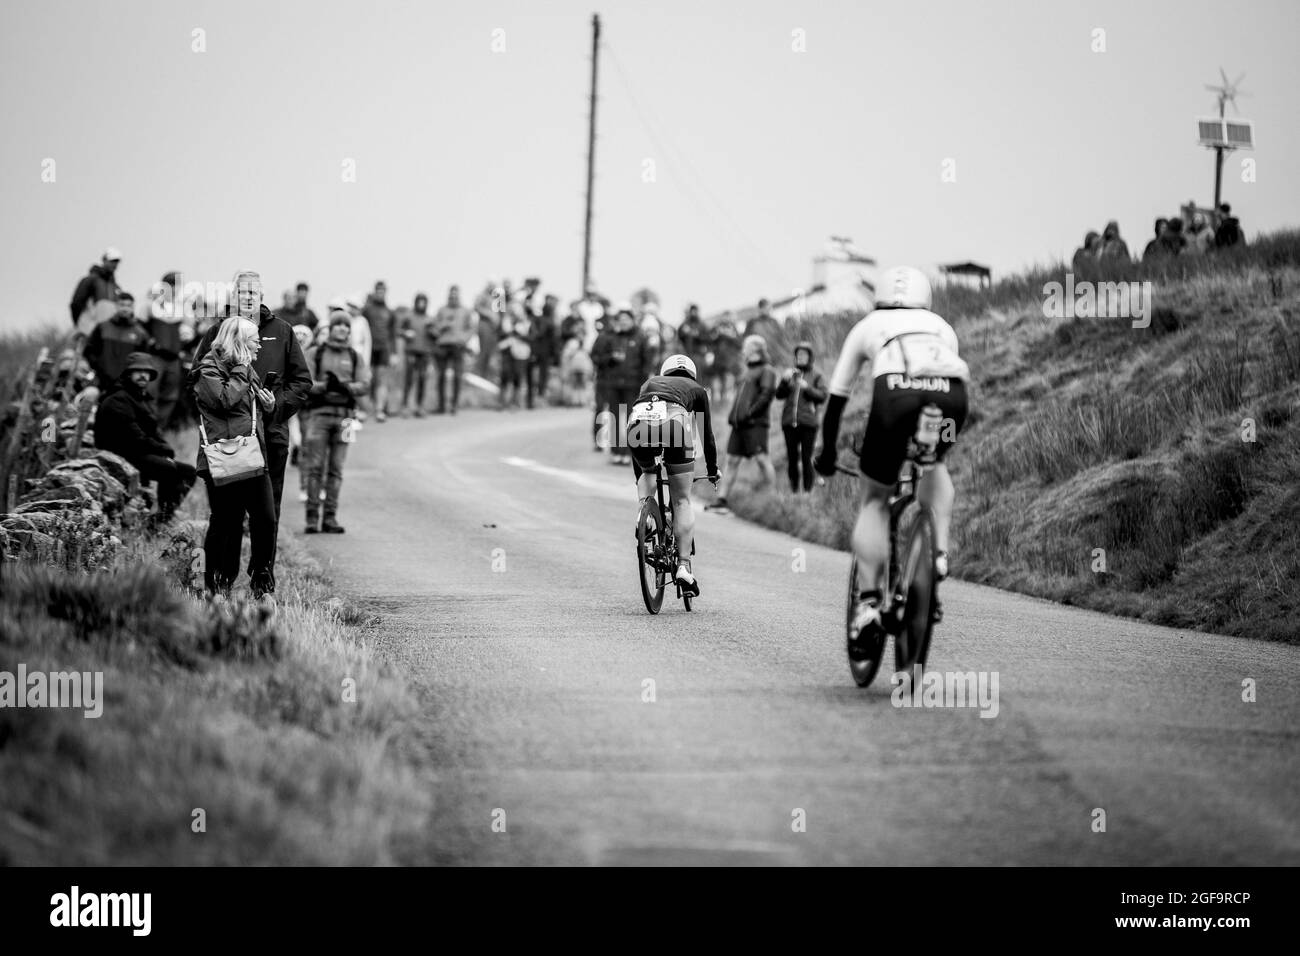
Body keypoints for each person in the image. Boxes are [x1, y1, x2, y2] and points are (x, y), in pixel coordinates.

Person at [812, 266, 970, 654]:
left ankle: (867, 605)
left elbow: (836, 400)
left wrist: (828, 454)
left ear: (879, 295)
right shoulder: (941, 326)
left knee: (874, 499)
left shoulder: (868, 325)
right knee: (933, 464)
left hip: (895, 398)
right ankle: (939, 555)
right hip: (951, 398)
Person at [190, 270, 312, 530]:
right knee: (227, 516)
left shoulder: (282, 331)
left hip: (271, 434)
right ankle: (225, 571)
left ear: (262, 297)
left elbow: (302, 382)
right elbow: (196, 381)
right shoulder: (217, 331)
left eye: (253, 292)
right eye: (242, 292)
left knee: (268, 516)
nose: (247, 297)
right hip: (228, 440)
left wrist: (276, 406)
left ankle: (263, 570)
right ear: (233, 296)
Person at [192, 316, 278, 598]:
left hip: (252, 456)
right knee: (224, 524)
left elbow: (247, 411)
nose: (259, 347)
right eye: (254, 341)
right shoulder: (208, 370)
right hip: (222, 459)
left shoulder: (247, 369)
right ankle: (213, 584)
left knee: (266, 519)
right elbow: (225, 401)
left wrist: (268, 406)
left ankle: (262, 582)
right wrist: (242, 369)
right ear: (239, 342)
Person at [626, 354, 720, 596]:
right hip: (675, 424)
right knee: (681, 500)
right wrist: (712, 470)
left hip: (636, 424)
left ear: (664, 372)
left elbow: (638, 414)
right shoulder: (697, 389)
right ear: (692, 374)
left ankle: (644, 515)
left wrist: (642, 473)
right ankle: (683, 567)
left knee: (648, 471)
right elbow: (706, 435)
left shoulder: (649, 382)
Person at [94, 352, 196, 525]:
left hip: (137, 453)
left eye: (146, 371)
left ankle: (162, 517)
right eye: (137, 371)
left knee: (186, 471)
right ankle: (159, 521)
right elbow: (134, 437)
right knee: (176, 472)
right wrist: (163, 450)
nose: (143, 375)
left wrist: (164, 448)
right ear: (128, 374)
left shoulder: (140, 398)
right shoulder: (119, 399)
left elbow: (153, 431)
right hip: (122, 455)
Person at [303, 312, 370, 534]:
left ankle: (330, 517)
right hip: (318, 415)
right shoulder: (316, 353)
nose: (342, 329)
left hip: (345, 417)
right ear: (330, 328)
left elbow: (365, 383)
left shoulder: (354, 356)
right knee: (314, 468)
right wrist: (324, 386)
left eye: (346, 325)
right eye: (338, 325)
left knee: (336, 469)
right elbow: (305, 383)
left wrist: (345, 387)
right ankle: (312, 518)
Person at [707, 334, 777, 512]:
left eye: (747, 347)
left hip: (756, 424)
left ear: (755, 349)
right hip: (739, 425)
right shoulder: (746, 371)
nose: (743, 350)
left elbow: (766, 395)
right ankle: (721, 499)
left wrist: (750, 413)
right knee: (731, 460)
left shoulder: (767, 370)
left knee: (762, 459)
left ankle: (773, 499)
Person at [592, 302, 652, 464]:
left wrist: (645, 384)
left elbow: (647, 362)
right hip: (612, 383)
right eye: (621, 320)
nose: (624, 322)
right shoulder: (610, 337)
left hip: (633, 385)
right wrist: (610, 358)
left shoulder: (640, 337)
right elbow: (598, 358)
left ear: (632, 321)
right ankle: (616, 451)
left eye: (627, 319)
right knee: (613, 417)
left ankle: (629, 453)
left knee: (631, 419)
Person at [775, 341, 828, 493]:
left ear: (810, 357)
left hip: (808, 423)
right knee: (791, 458)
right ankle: (793, 490)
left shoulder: (817, 375)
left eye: (804, 354)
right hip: (789, 422)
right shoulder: (790, 374)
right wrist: (784, 381)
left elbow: (823, 396)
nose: (800, 357)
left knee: (806, 458)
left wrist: (807, 388)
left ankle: (807, 491)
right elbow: (779, 395)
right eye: (798, 354)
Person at [141, 271, 188, 430]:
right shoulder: (150, 304)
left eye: (177, 285)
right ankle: (148, 428)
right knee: (150, 392)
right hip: (155, 357)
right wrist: (151, 342)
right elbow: (140, 327)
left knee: (170, 396)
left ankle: (159, 429)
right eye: (172, 285)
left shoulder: (181, 307)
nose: (175, 289)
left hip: (174, 358)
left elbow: (187, 330)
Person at [84, 291, 153, 394]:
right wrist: (99, 370)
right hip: (101, 382)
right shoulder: (102, 327)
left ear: (133, 308)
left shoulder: (141, 333)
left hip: (127, 386)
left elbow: (143, 362)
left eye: (128, 305)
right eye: (122, 305)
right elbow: (89, 351)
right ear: (116, 306)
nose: (125, 309)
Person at [432, 285, 476, 414]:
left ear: (459, 296)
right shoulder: (442, 310)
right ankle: (441, 405)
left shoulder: (465, 311)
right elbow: (434, 327)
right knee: (441, 376)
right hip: (443, 345)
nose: (453, 298)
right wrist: (442, 326)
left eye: (456, 295)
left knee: (457, 376)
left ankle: (454, 405)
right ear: (448, 296)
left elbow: (472, 328)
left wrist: (464, 338)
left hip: (458, 346)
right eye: (451, 296)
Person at [364, 281, 398, 421]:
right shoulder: (367, 310)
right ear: (375, 292)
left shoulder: (390, 312)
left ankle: (379, 410)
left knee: (381, 380)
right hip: (368, 349)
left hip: (383, 349)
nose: (380, 293)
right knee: (367, 380)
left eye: (383, 291)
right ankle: (365, 409)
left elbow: (393, 334)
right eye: (378, 291)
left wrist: (394, 353)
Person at [288, 324, 315, 502]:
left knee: (307, 443)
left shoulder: (314, 355)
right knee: (297, 437)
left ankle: (310, 486)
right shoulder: (286, 353)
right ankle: (305, 485)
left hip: (308, 405)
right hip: (291, 402)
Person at [69, 247, 124, 335]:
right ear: (104, 260)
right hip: (88, 332)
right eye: (112, 261)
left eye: (117, 262)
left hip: (107, 334)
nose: (114, 264)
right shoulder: (90, 280)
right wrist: (79, 325)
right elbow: (76, 303)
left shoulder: (116, 288)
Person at [497, 291, 532, 410]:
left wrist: (519, 334)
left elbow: (531, 337)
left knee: (518, 375)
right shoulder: (504, 320)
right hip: (506, 349)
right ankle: (502, 402)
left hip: (520, 352)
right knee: (505, 374)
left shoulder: (526, 322)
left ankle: (515, 402)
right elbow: (499, 334)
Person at [400, 293, 433, 416]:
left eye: (423, 302)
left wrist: (432, 331)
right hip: (411, 351)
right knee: (409, 379)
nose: (421, 304)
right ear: (416, 303)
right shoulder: (409, 317)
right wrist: (405, 333)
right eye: (419, 302)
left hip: (424, 352)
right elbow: (400, 331)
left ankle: (419, 406)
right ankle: (405, 406)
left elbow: (435, 335)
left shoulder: (429, 319)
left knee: (422, 379)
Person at [530, 294, 561, 407]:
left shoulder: (537, 320)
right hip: (545, 352)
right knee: (543, 375)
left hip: (536, 350)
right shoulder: (551, 323)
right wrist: (556, 355)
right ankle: (540, 396)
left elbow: (534, 335)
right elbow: (554, 341)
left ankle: (534, 396)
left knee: (535, 374)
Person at [473, 281, 500, 379]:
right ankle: (479, 373)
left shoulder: (497, 298)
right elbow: (476, 307)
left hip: (494, 329)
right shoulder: (482, 295)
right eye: (491, 285)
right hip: (484, 325)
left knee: (491, 352)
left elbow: (500, 312)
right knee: (484, 350)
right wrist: (489, 314)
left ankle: (486, 375)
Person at [676, 304, 708, 370]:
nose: (693, 313)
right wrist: (683, 332)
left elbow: (707, 338)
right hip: (686, 353)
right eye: (692, 311)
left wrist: (697, 335)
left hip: (698, 354)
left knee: (698, 373)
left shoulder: (701, 325)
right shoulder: (685, 323)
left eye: (695, 311)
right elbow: (679, 336)